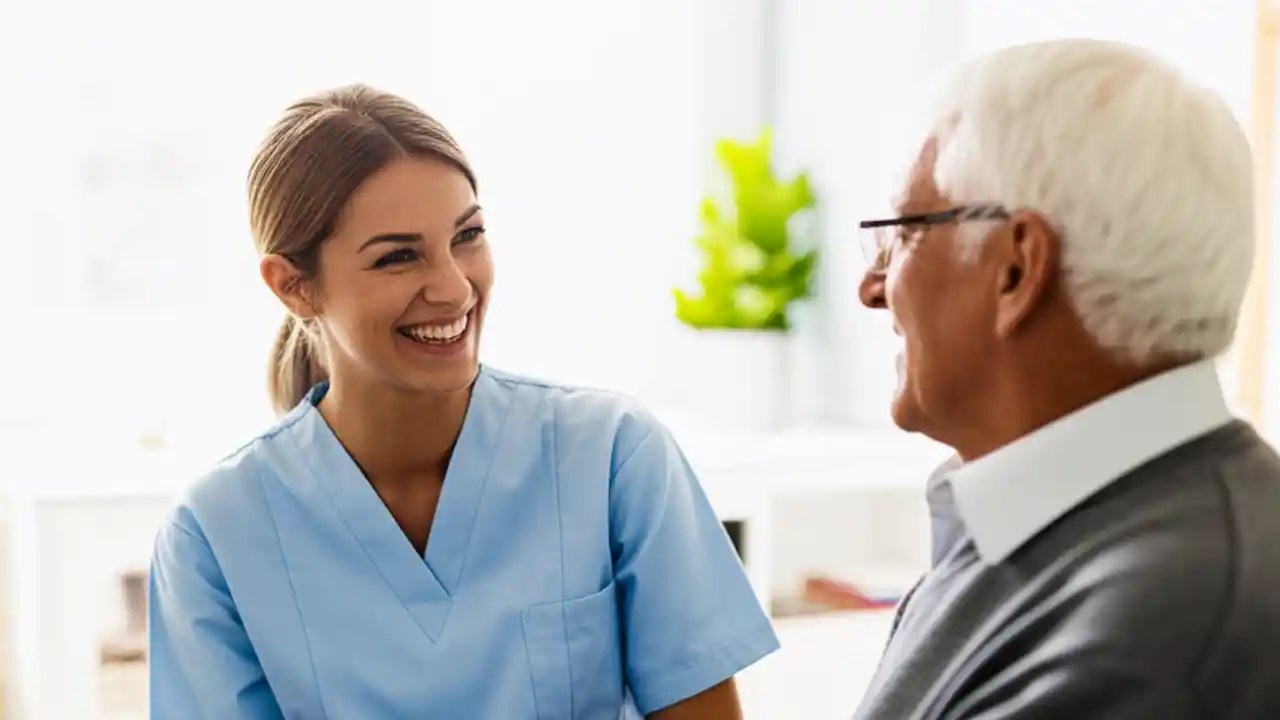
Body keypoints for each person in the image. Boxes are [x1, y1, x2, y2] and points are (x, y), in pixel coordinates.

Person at [147, 84, 778, 719]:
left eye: (467, 235)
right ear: (293, 286)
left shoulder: (613, 456)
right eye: (398, 257)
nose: (453, 289)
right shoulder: (216, 533)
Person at [853, 39, 1280, 719]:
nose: (872, 288)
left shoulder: (1154, 641)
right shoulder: (1060, 534)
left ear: (1016, 269)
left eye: (903, 235)